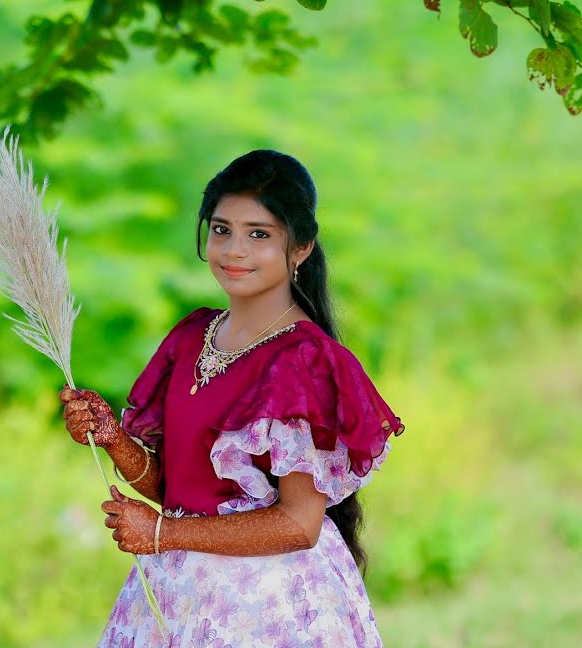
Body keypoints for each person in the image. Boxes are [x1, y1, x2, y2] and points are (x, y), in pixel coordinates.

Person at [59, 150, 404, 647]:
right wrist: (113, 439)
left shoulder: (303, 360)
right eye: (221, 230)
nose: (234, 250)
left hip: (264, 604)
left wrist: (162, 535)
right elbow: (181, 494)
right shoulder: (191, 335)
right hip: (175, 593)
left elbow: (299, 524)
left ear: (301, 247)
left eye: (259, 234)